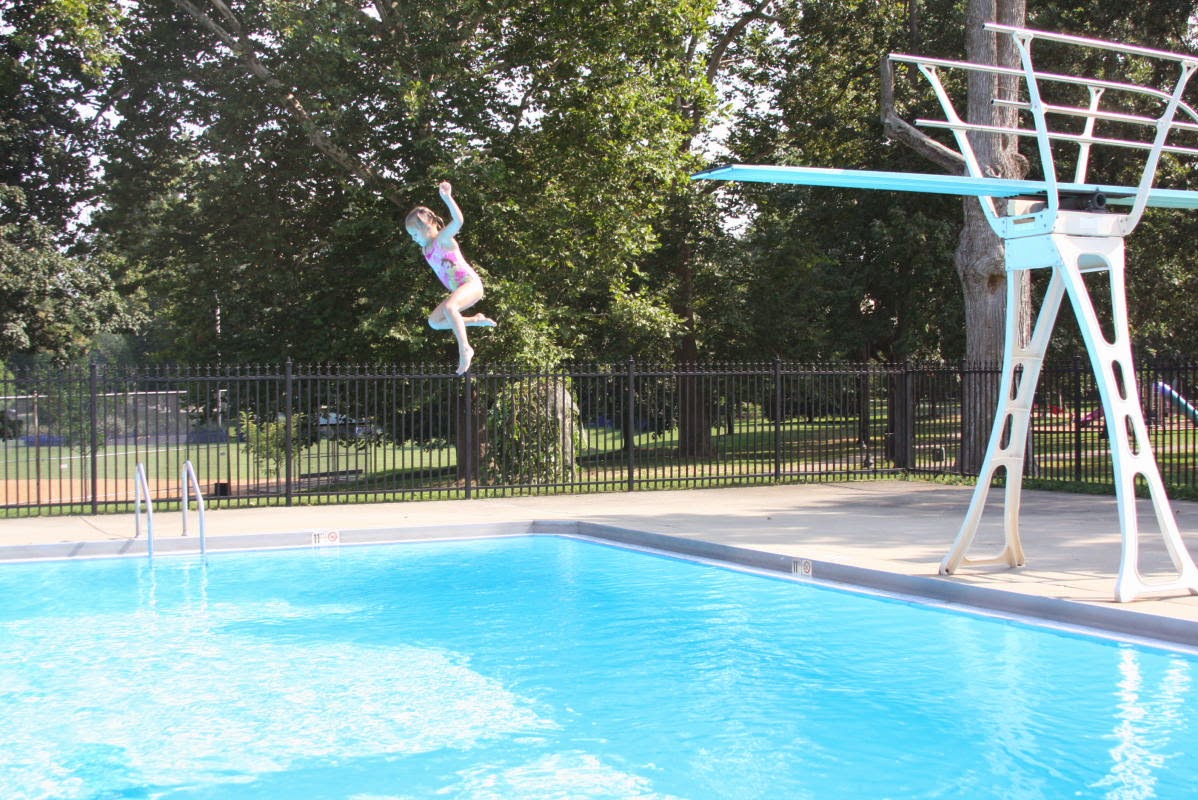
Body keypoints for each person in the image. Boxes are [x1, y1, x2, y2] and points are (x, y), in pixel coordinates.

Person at [405, 181, 495, 375]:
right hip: (460, 290)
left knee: (449, 307)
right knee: (434, 322)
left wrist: (447, 198)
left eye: (414, 233)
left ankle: (465, 348)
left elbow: (458, 221)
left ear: (428, 225)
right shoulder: (425, 249)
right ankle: (474, 320)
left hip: (471, 285)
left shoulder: (443, 239)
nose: (413, 238)